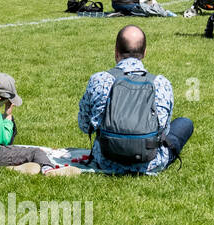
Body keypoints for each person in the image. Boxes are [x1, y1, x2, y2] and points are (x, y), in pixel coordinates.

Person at [77, 25, 193, 175]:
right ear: (144, 52)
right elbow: (163, 130)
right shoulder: (161, 83)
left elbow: (85, 126)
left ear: (116, 51)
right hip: (150, 162)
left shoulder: (99, 80)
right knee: (185, 123)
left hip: (106, 159)